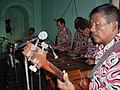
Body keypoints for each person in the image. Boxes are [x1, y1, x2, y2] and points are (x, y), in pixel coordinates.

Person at [57, 3, 120, 90]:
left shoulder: (117, 56)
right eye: (91, 25)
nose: (92, 29)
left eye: (98, 24)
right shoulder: (102, 48)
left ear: (114, 25)